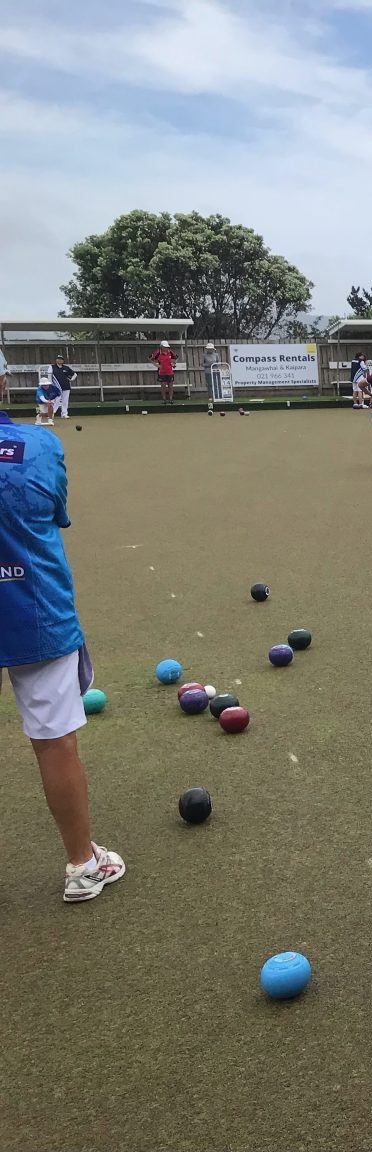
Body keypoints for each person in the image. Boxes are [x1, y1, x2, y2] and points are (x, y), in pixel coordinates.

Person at [0, 408, 127, 902]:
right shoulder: (39, 444)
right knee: (54, 740)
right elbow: (55, 513)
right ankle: (82, 865)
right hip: (33, 606)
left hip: (34, 610)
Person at [50, 355, 77, 421]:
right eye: (58, 359)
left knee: (65, 401)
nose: (59, 360)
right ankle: (52, 413)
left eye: (61, 359)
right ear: (56, 360)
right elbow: (49, 377)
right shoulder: (52, 367)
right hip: (56, 387)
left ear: (63, 361)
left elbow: (75, 374)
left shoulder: (66, 368)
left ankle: (64, 414)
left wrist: (72, 379)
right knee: (56, 400)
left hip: (66, 387)